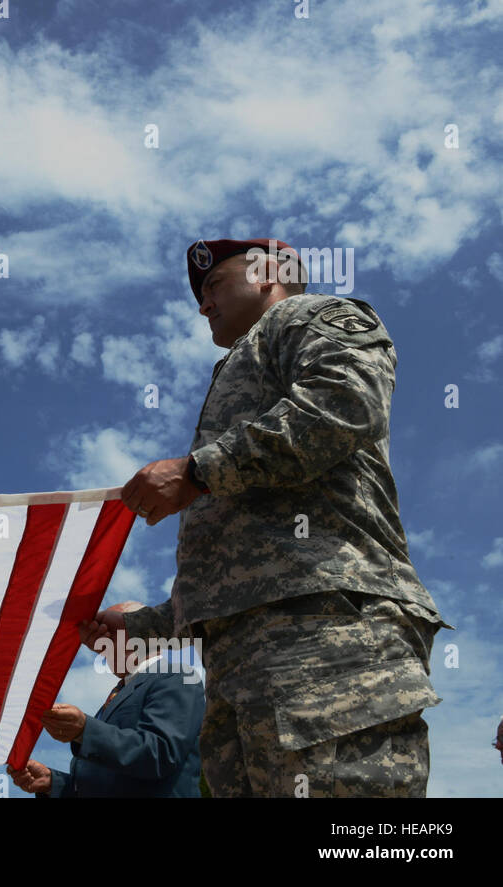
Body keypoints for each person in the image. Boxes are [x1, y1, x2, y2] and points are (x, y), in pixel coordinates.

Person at [88, 238, 448, 798]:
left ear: (268, 273)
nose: (202, 304)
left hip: (325, 633)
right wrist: (142, 627)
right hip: (240, 665)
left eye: (213, 285)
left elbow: (343, 404)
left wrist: (200, 469)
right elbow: (241, 567)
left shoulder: (313, 317)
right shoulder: (237, 366)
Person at [8, 603, 204, 798]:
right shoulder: (112, 700)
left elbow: (160, 753)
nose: (101, 644)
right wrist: (53, 783)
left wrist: (86, 731)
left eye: (109, 631)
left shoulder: (175, 675)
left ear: (141, 629)